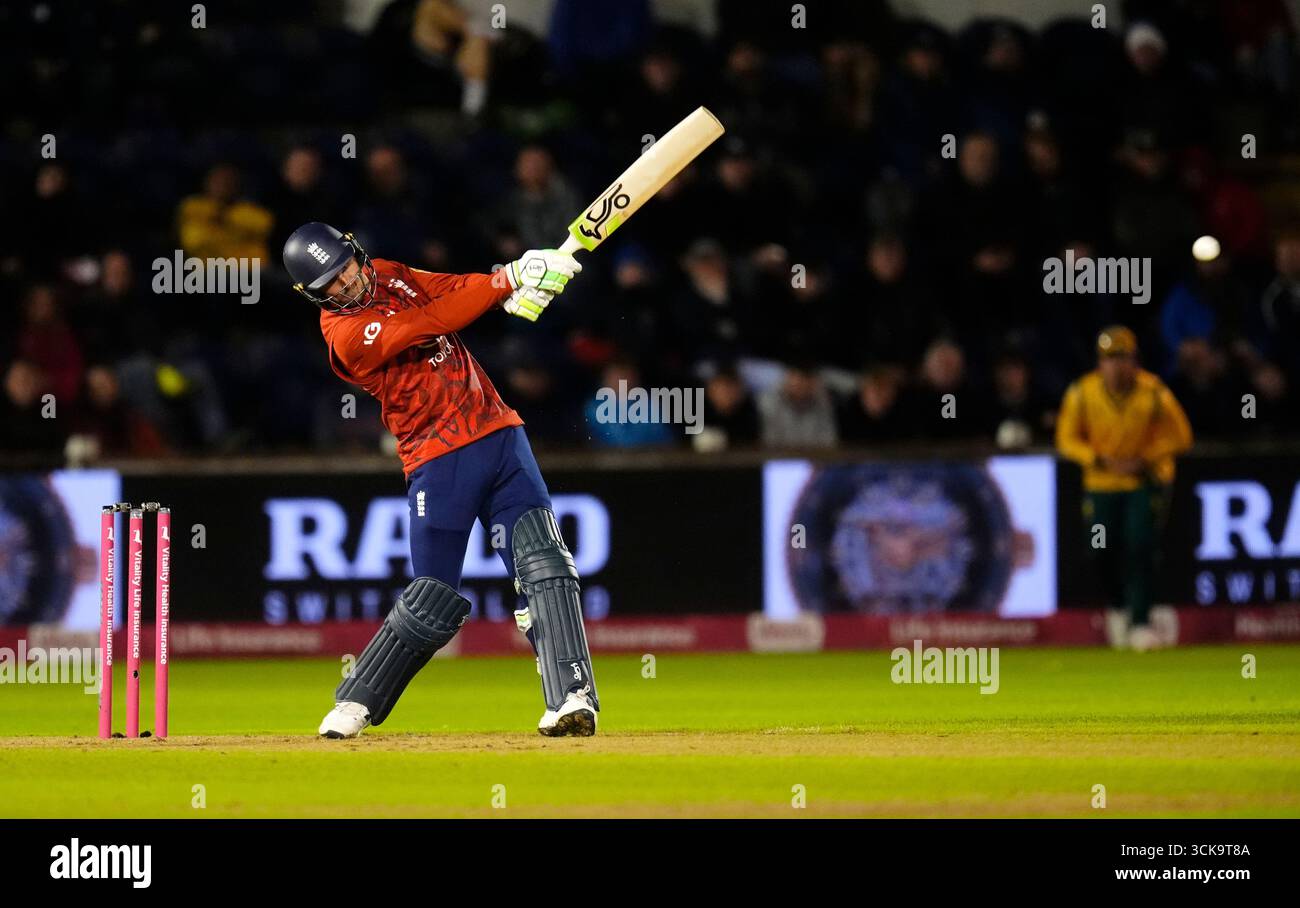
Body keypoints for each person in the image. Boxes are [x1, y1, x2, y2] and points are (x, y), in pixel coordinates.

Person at [282, 222, 600, 737]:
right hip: (437, 454)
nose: (347, 286)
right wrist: (507, 279)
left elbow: (447, 289)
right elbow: (425, 322)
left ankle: (571, 697)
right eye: (330, 286)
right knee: (434, 597)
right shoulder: (343, 337)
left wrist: (511, 289)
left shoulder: (386, 273)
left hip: (499, 431)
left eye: (346, 271)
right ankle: (356, 702)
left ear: (356, 254)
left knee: (545, 565)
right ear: (313, 296)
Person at [1055, 326, 1192, 650]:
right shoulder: (1082, 393)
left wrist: (1145, 459)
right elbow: (1066, 439)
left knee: (1139, 546)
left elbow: (1181, 436)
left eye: (1122, 358)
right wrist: (1098, 459)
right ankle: (1119, 607)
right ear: (1099, 363)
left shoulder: (1154, 391)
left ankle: (1141, 622)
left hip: (1142, 483)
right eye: (1109, 359)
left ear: (1135, 361)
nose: (1116, 366)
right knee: (1100, 549)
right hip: (1102, 484)